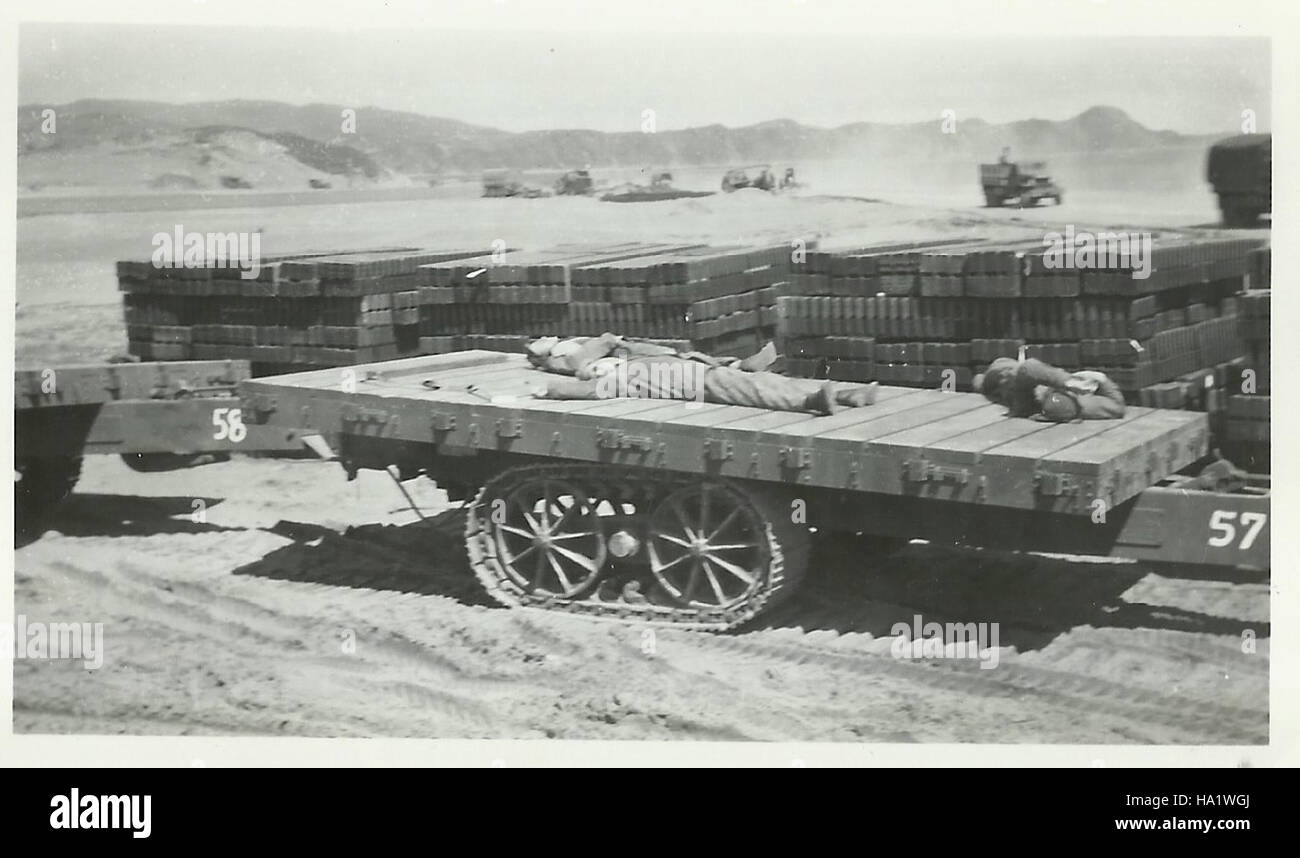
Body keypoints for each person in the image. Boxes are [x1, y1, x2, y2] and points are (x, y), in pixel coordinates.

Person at [526, 333, 877, 415]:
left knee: (760, 381)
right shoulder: (611, 376)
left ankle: (846, 395)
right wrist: (550, 390)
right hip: (690, 382)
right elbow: (584, 389)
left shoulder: (619, 367)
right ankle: (809, 400)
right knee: (749, 389)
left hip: (690, 370)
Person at [973, 357, 1125, 422]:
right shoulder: (1080, 406)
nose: (1040, 393)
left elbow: (1028, 368)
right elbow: (1117, 406)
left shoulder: (1025, 404)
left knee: (979, 380)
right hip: (1021, 374)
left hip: (1001, 376)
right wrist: (1101, 379)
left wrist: (1067, 381)